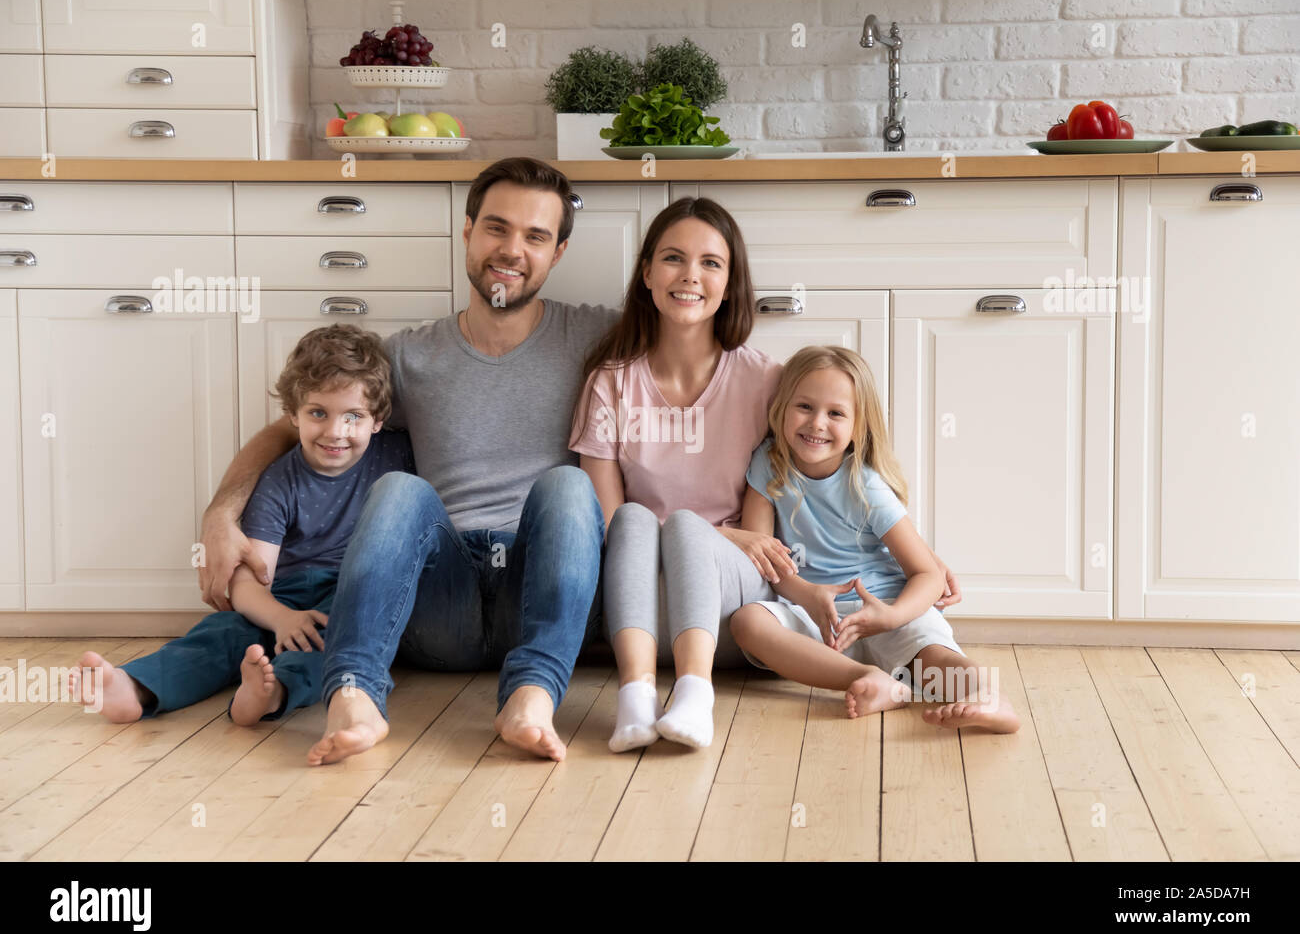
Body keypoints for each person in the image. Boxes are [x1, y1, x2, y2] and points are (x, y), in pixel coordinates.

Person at [196, 157, 619, 765]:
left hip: (539, 587)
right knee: (398, 489)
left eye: (536, 236)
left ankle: (531, 694)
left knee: (567, 487)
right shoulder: (409, 356)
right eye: (496, 228)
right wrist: (221, 514)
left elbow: (695, 333)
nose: (512, 249)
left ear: (558, 252)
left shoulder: (597, 336)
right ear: (467, 232)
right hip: (437, 599)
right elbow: (291, 427)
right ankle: (355, 695)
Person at [72, 324, 416, 727]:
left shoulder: (397, 458)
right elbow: (249, 579)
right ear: (293, 415)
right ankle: (137, 687)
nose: (335, 432)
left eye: (353, 416)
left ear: (378, 421)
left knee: (328, 636)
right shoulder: (279, 480)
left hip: (352, 593)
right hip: (282, 596)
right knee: (220, 633)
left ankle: (272, 694)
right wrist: (280, 618)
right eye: (318, 413)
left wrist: (299, 624)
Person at [570, 197, 789, 752]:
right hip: (637, 599)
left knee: (685, 527)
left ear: (730, 280)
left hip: (732, 603)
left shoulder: (767, 381)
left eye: (711, 263)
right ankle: (636, 698)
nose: (691, 276)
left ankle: (696, 693)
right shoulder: (611, 382)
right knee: (638, 520)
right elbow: (610, 520)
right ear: (646, 272)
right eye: (673, 259)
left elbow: (772, 524)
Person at [729, 346, 1020, 733]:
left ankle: (990, 698)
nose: (817, 423)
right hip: (812, 612)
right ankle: (870, 678)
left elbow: (928, 575)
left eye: (835, 414)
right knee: (748, 622)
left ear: (857, 426)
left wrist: (892, 615)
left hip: (884, 608)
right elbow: (764, 556)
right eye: (804, 406)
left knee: (936, 659)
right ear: (781, 407)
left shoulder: (866, 486)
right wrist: (807, 595)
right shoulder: (768, 464)